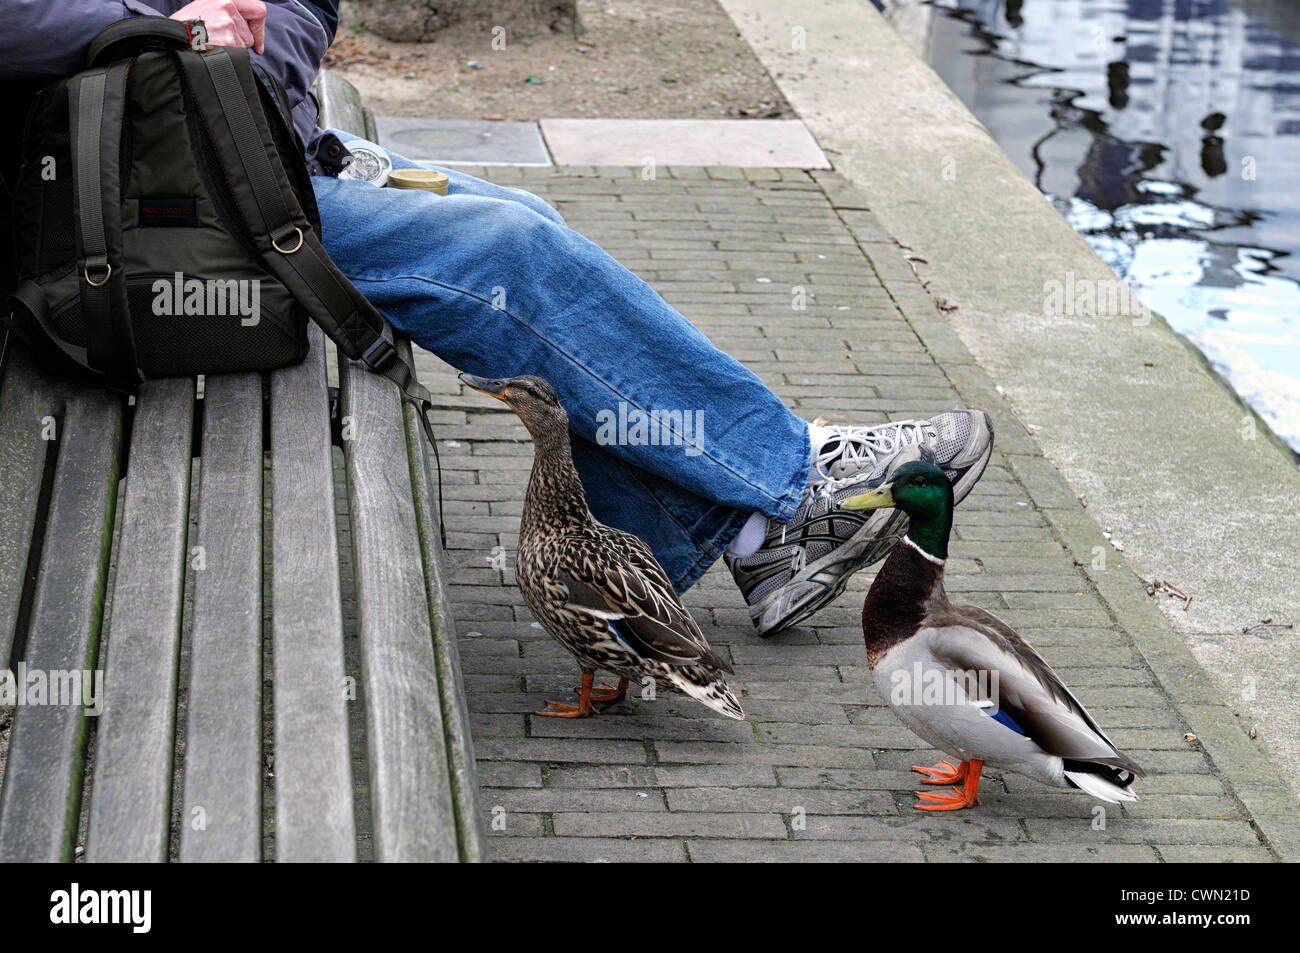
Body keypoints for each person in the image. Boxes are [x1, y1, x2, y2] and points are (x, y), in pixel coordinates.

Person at [0, 0, 992, 636]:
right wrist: (167, 26)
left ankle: (734, 532)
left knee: (526, 217)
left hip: (249, 151)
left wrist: (261, 45)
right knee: (508, 262)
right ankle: (783, 487)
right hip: (133, 206)